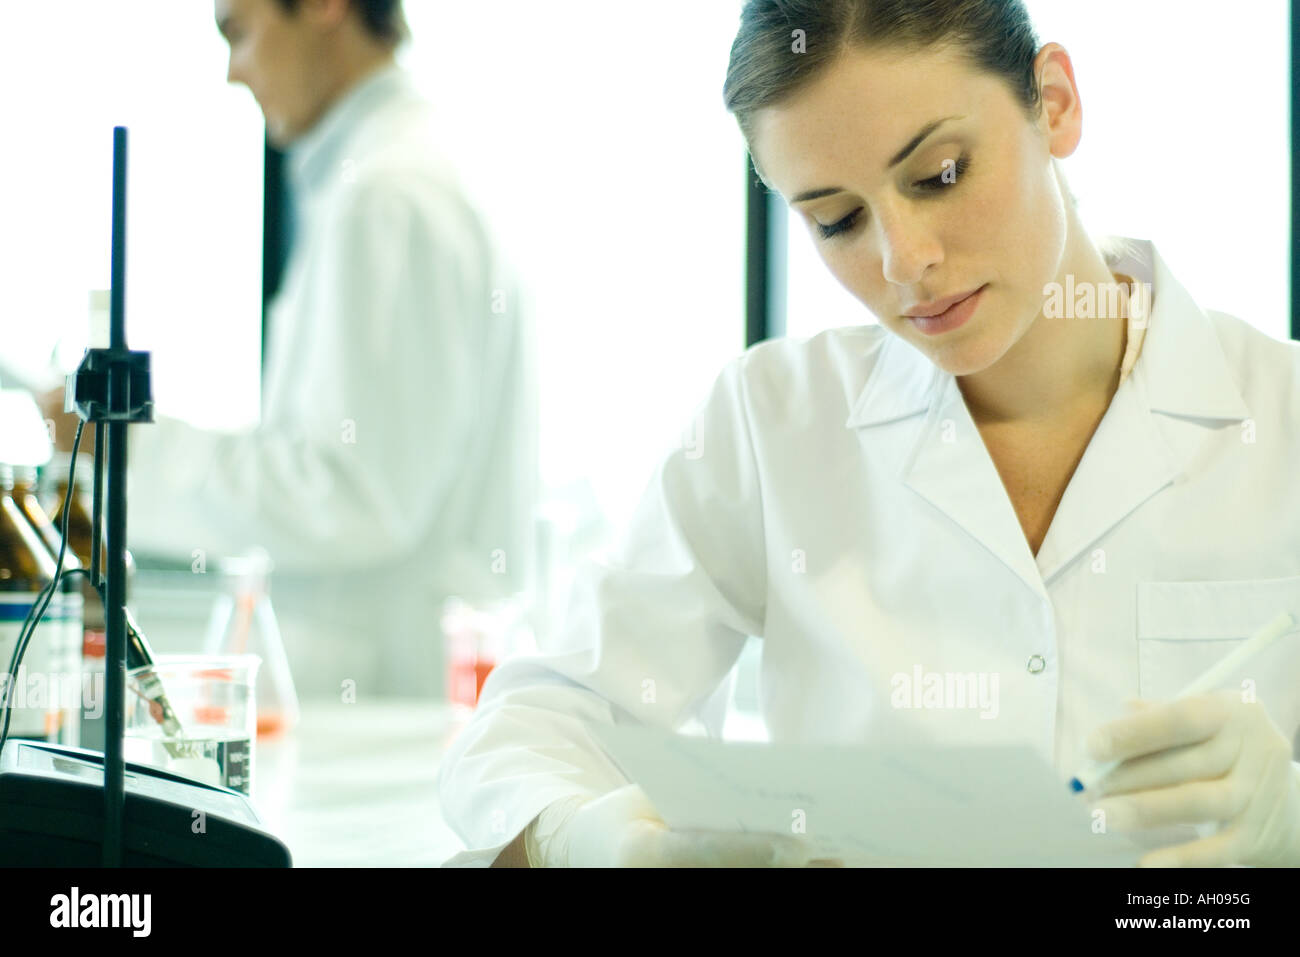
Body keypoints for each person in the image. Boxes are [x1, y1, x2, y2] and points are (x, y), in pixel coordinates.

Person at [436, 0, 1300, 867]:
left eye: (940, 173)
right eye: (836, 220)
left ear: (1056, 101)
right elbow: (541, 721)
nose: (902, 259)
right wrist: (578, 836)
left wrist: (1291, 819)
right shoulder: (773, 423)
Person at [44, 0, 537, 700]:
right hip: (394, 700)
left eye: (238, 32)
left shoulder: (386, 196)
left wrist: (119, 449)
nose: (231, 73)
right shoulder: (384, 176)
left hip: (383, 708)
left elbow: (352, 493)